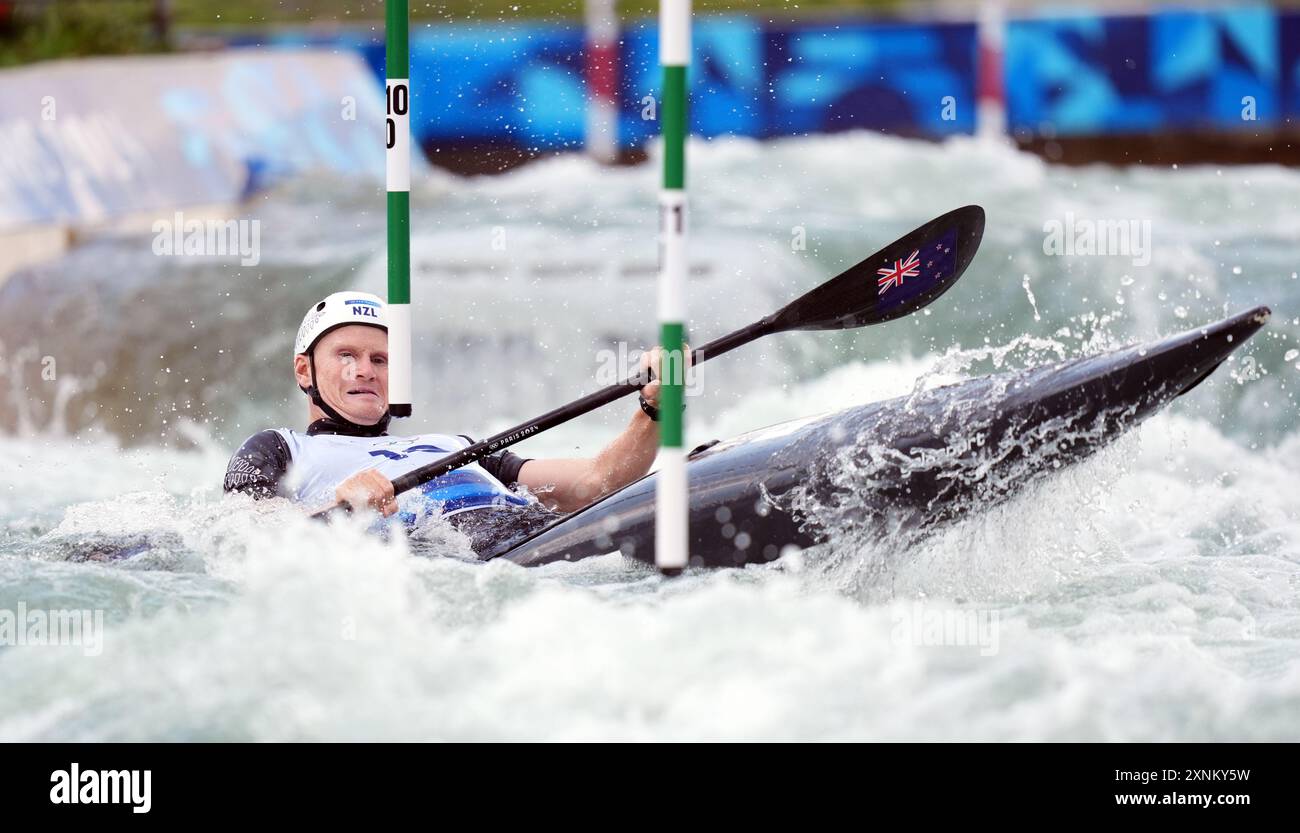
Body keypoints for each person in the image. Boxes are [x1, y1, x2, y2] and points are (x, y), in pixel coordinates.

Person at [223, 290, 678, 558]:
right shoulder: (280, 449)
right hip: (473, 569)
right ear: (304, 370)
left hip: (544, 542)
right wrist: (335, 507)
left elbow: (596, 483)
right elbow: (244, 531)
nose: (365, 370)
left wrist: (653, 411)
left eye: (380, 359)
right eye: (347, 356)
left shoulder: (452, 444)